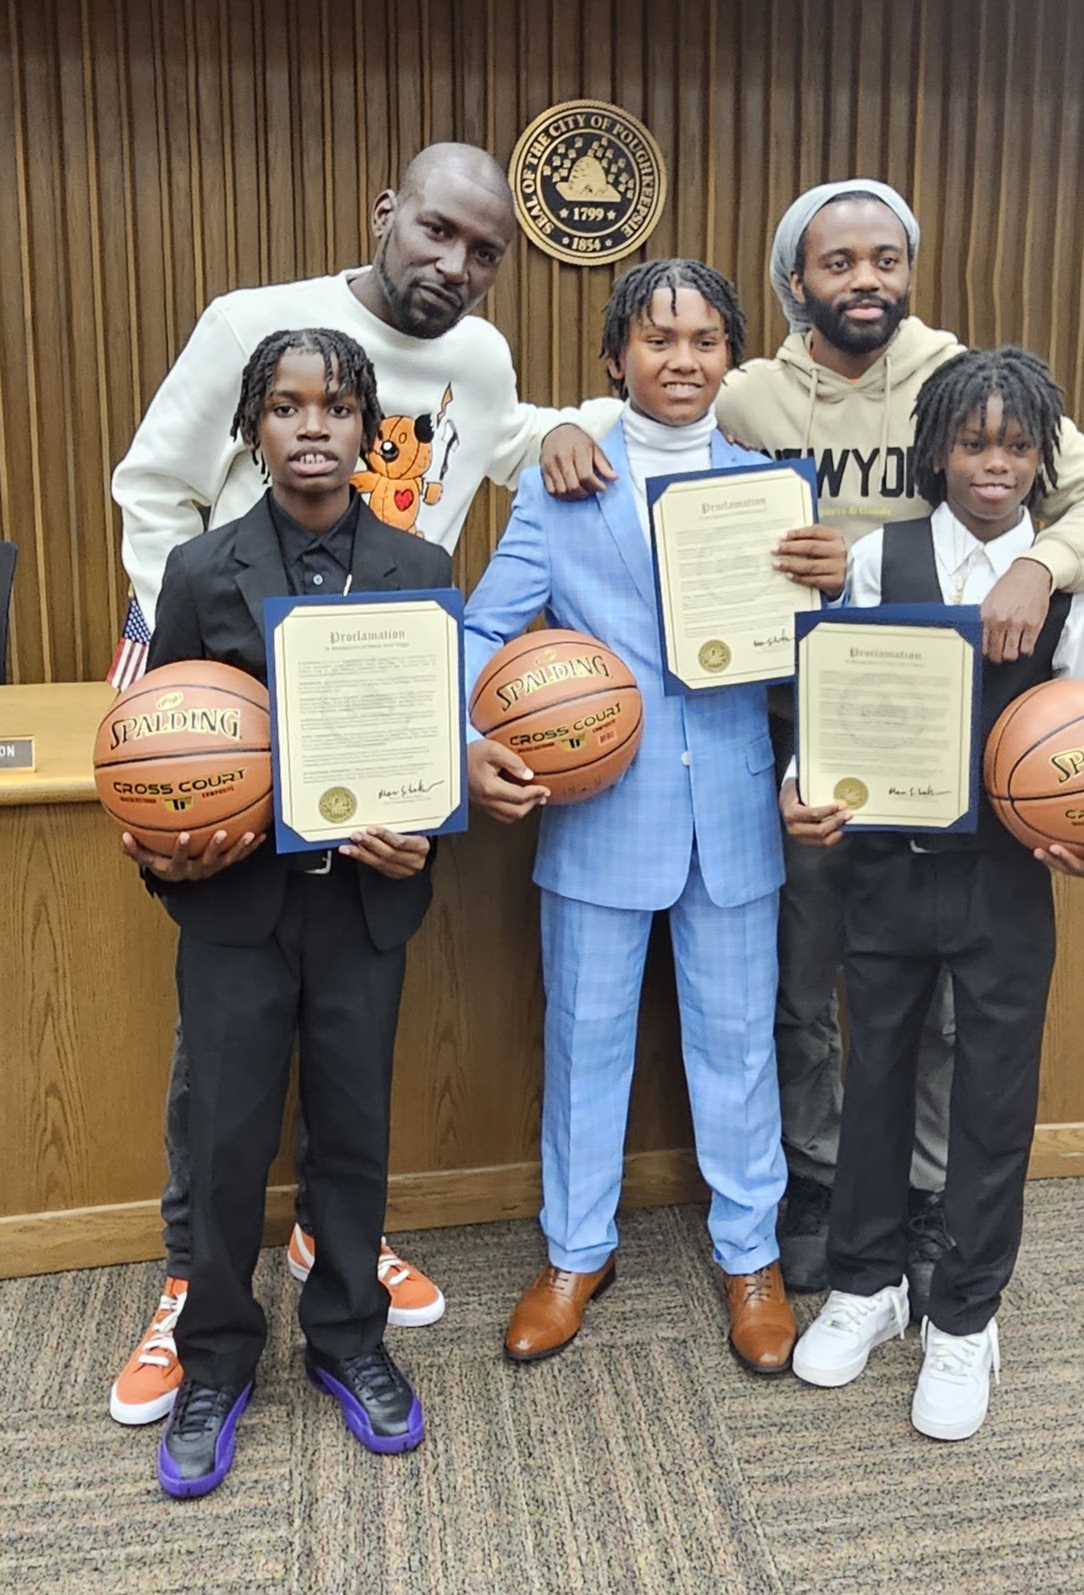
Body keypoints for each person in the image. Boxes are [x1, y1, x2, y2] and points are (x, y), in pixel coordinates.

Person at [108, 142, 622, 1428]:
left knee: (351, 1068)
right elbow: (153, 488)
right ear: (383, 213)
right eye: (437, 232)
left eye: (485, 252)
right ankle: (198, 1289)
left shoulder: (478, 358)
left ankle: (333, 1273)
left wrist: (562, 428)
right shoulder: (252, 324)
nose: (456, 266)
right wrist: (212, 697)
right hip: (239, 704)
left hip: (379, 713)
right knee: (219, 1073)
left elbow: (499, 440)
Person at [714, 181, 1084, 1315]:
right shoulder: (749, 397)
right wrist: (566, 433)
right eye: (837, 261)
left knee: (946, 1008)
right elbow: (658, 452)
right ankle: (821, 1179)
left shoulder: (968, 385)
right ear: (794, 280)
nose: (865, 279)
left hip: (967, 739)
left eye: (885, 259)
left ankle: (919, 1190)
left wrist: (1040, 563)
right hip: (814, 723)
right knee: (811, 981)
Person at [462, 260, 847, 1372]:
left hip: (732, 808)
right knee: (584, 1042)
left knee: (736, 1045)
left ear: (733, 356)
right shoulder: (559, 483)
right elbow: (483, 636)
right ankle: (575, 1251)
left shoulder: (774, 491)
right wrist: (472, 742)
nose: (681, 360)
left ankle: (749, 1255)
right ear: (614, 358)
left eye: (704, 341)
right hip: (596, 815)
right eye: (656, 339)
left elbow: (806, 663)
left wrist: (833, 588)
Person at [781, 346, 1084, 1440]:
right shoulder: (872, 560)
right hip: (884, 873)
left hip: (1006, 876)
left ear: (1042, 457)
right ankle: (866, 1283)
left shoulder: (1067, 580)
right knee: (874, 1078)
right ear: (934, 451)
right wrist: (797, 788)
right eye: (972, 440)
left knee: (992, 1099)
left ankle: (963, 1311)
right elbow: (827, 711)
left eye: (1016, 442)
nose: (994, 461)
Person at [127, 327, 450, 1497]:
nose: (311, 427)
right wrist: (170, 852)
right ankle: (215, 1355)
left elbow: (430, 750)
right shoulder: (200, 573)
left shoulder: (419, 566)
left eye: (335, 407)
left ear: (371, 428)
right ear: (252, 425)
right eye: (285, 405)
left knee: (353, 1136)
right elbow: (151, 757)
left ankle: (349, 1337)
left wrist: (421, 832)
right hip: (235, 912)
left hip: (366, 904)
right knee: (223, 1145)